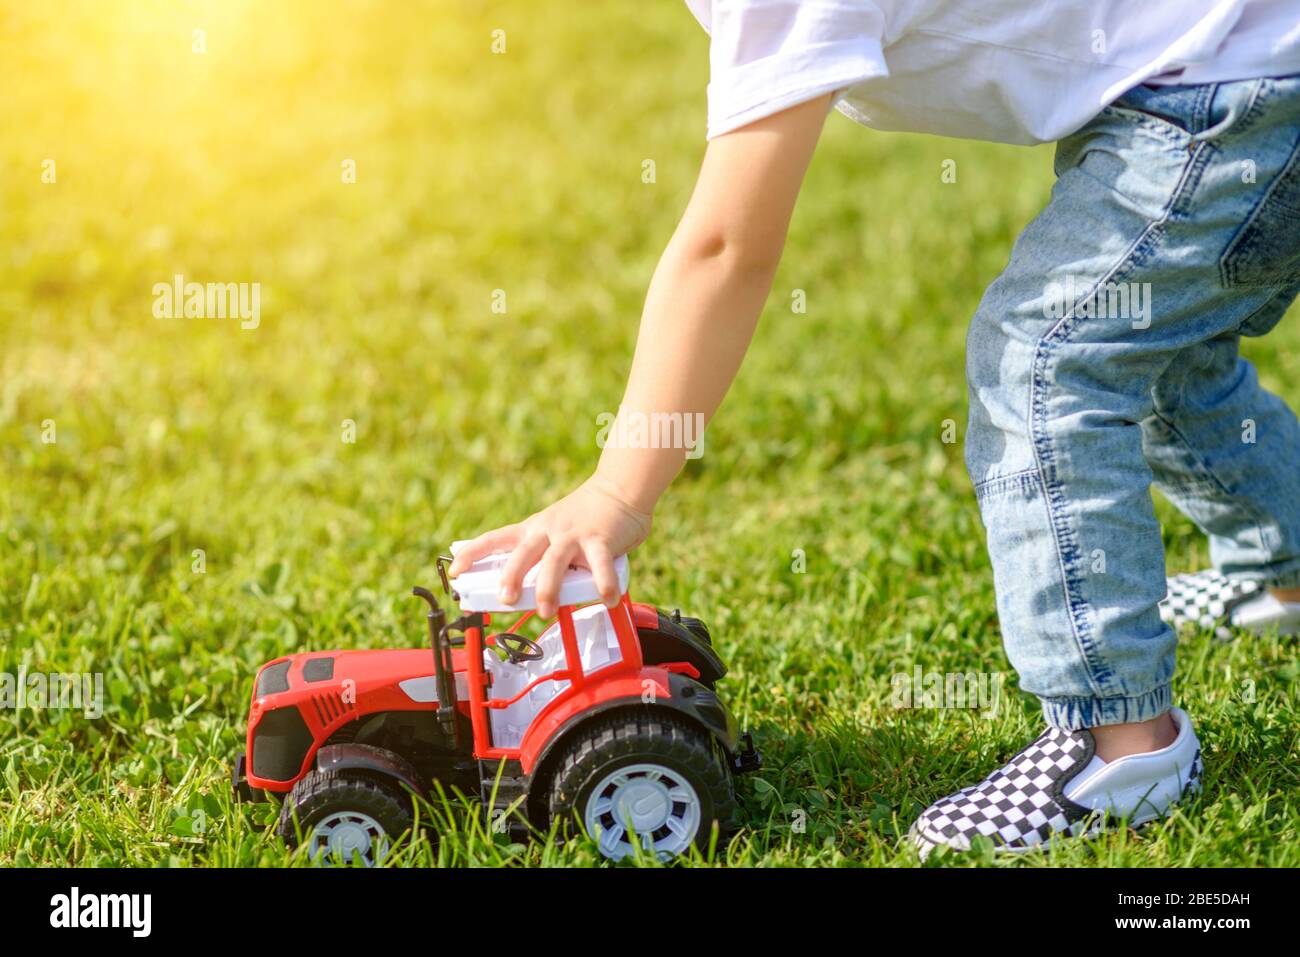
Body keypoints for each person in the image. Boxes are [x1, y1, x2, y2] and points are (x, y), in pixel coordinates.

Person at [449, 1, 1300, 856]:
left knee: (1044, 358)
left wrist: (616, 492)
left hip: (1229, 99)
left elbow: (725, 250)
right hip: (1242, 73)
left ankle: (1122, 751)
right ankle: (1287, 574)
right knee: (1161, 348)